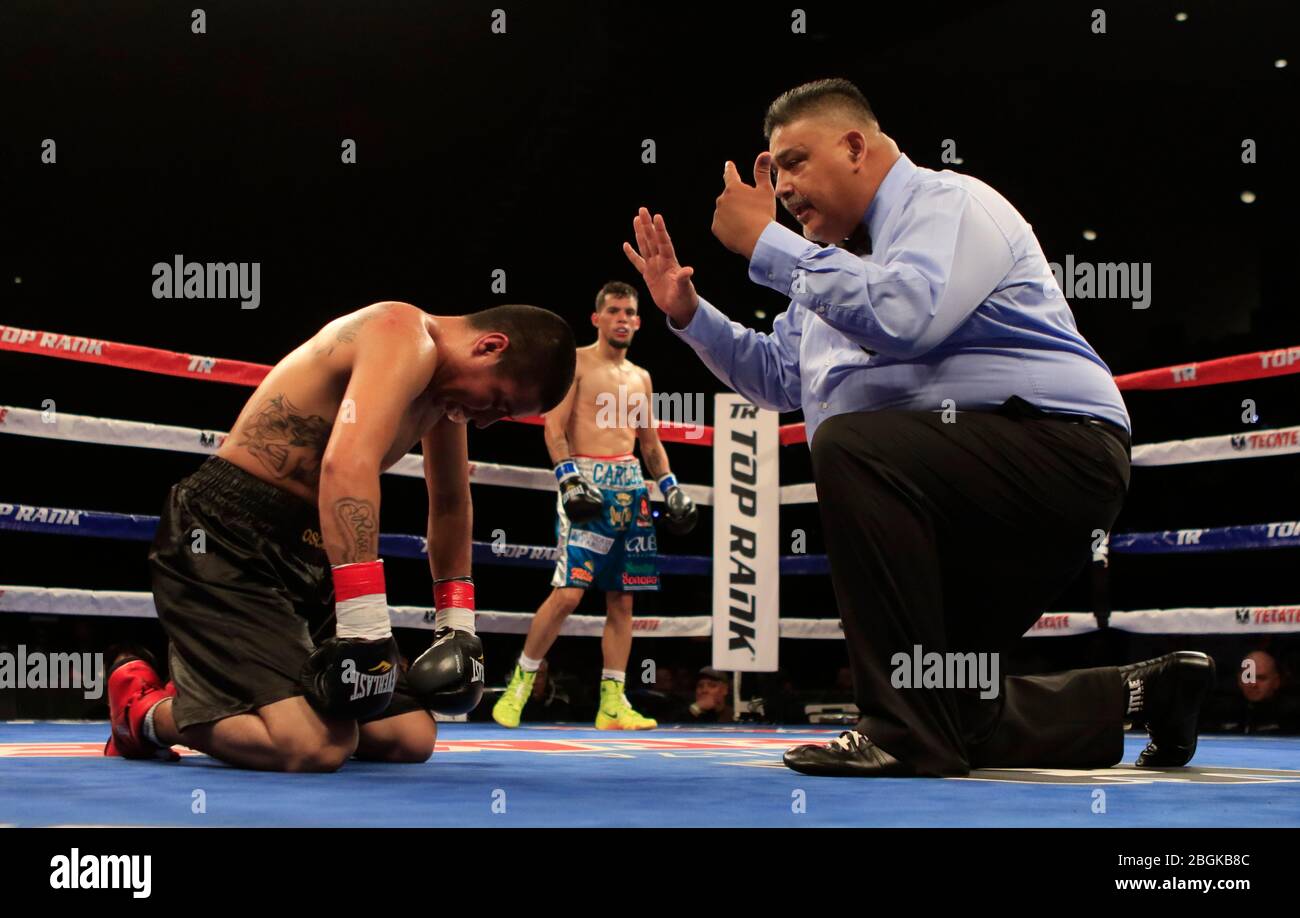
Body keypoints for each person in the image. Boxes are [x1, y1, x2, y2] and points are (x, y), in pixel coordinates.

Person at [623, 78, 1214, 777]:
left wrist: (769, 248)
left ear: (854, 146)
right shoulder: (826, 271)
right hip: (944, 490)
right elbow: (782, 377)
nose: (781, 184)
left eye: (794, 161)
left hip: (1051, 452)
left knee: (850, 444)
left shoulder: (947, 204)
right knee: (940, 691)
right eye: (772, 169)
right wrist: (690, 314)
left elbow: (908, 316)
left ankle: (899, 736)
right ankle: (1142, 693)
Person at [105, 301, 576, 771]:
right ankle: (144, 716)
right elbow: (346, 463)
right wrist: (363, 622)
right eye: (496, 401)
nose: (486, 419)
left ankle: (231, 688)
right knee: (315, 746)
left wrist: (457, 625)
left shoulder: (442, 398)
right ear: (490, 346)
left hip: (310, 549)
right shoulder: (401, 333)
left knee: (409, 737)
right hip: (223, 535)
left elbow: (451, 503)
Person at [492, 282, 697, 730]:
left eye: (630, 312)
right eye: (615, 311)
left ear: (639, 322)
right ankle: (519, 685)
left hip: (631, 485)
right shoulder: (577, 363)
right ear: (597, 318)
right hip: (586, 481)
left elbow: (651, 444)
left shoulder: (641, 377)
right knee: (568, 592)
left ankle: (613, 703)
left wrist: (671, 487)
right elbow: (554, 428)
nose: (623, 318)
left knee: (622, 601)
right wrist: (568, 479)